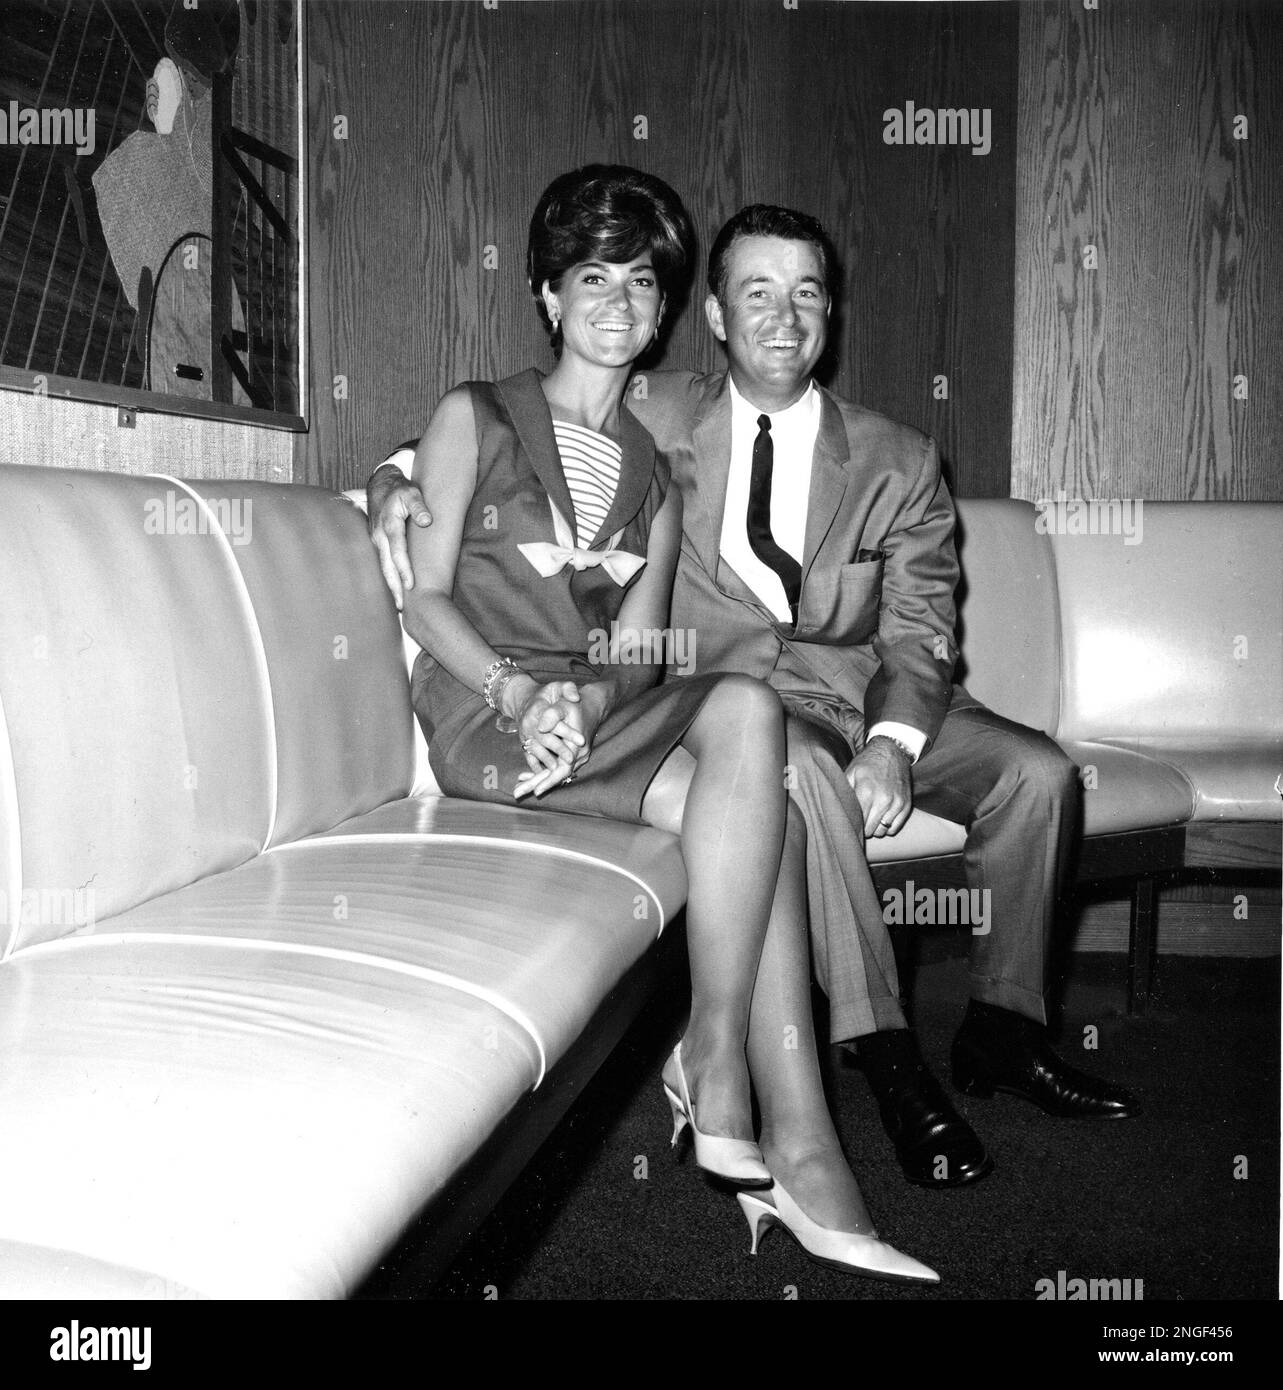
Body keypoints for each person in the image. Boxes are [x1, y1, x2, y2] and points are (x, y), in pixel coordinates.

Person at [370, 200, 1138, 1194]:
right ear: (718, 321)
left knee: (1037, 773)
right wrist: (391, 477)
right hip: (732, 698)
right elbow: (504, 427)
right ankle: (884, 1053)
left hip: (870, 696)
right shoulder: (654, 409)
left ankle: (1004, 1025)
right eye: (755, 294)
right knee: (794, 766)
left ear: (830, 316)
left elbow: (920, 629)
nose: (783, 316)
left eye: (806, 294)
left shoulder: (897, 457)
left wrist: (895, 745)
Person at [395, 165, 937, 1284]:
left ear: (663, 306)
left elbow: (637, 653)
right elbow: (423, 593)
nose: (617, 298)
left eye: (640, 278)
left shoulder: (654, 469)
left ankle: (797, 1132)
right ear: (545, 294)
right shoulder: (476, 413)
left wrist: (588, 696)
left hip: (592, 716)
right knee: (746, 714)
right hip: (486, 714)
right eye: (590, 274)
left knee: (755, 803)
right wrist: (513, 685)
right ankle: (723, 1068)